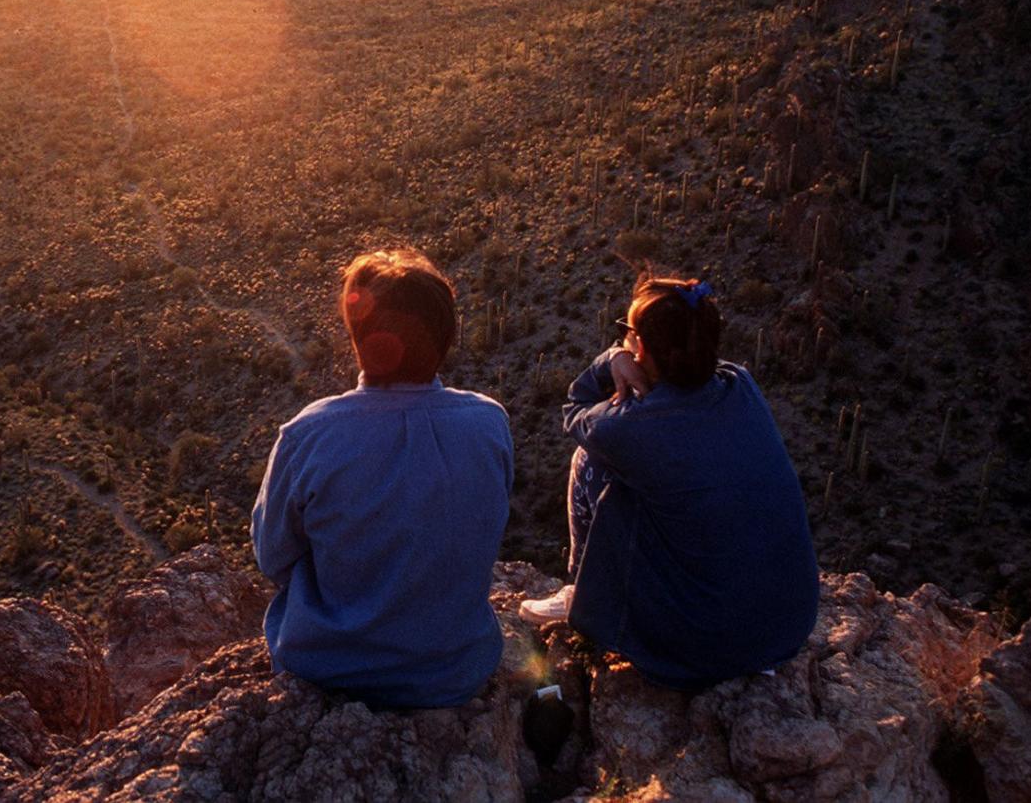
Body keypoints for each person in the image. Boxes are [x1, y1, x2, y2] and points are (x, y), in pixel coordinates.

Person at [519, 277, 819, 691]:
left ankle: (581, 593)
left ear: (640, 348)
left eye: (628, 335)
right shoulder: (741, 386)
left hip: (698, 649)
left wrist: (610, 362)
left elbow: (575, 409)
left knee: (590, 460)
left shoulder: (631, 427)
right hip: (785, 628)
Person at [251, 248, 513, 708]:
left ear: (358, 340)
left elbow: (272, 556)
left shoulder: (309, 434)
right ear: (447, 338)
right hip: (457, 670)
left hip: (330, 669)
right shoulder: (490, 422)